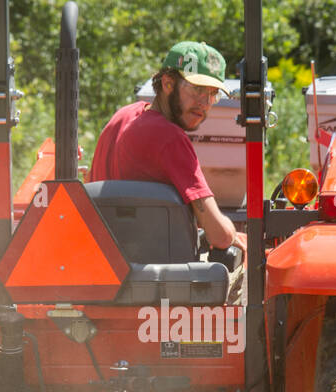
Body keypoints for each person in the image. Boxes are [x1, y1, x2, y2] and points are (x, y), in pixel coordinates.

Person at [88, 41, 245, 252]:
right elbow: (220, 236)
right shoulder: (170, 138)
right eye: (197, 89)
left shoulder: (124, 115)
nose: (205, 102)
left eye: (212, 93)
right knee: (239, 251)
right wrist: (233, 233)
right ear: (168, 83)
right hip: (151, 269)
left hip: (106, 258)